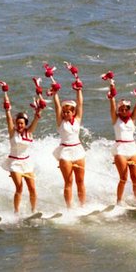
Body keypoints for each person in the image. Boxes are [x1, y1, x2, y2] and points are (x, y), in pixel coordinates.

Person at [0, 80, 44, 215]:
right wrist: (5, 92)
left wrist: (39, 107)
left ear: (25, 124)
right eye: (18, 123)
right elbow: (8, 112)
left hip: (26, 162)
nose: (19, 125)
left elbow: (37, 118)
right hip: (14, 163)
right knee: (19, 187)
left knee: (32, 189)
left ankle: (33, 210)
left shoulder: (28, 132)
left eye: (22, 123)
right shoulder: (13, 132)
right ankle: (16, 212)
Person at [107, 76, 136, 205]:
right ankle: (119, 201)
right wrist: (112, 88)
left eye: (126, 109)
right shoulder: (115, 119)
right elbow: (112, 105)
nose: (123, 111)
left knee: (135, 178)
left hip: (132, 149)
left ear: (129, 110)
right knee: (123, 178)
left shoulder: (132, 119)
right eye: (121, 109)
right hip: (120, 150)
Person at [51, 73, 86, 208]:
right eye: (64, 112)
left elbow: (80, 104)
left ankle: (83, 205)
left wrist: (78, 90)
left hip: (78, 151)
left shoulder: (77, 120)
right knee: (68, 181)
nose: (65, 114)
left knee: (80, 181)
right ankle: (69, 207)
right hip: (65, 152)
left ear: (73, 113)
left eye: (68, 112)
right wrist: (55, 93)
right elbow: (57, 106)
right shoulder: (60, 123)